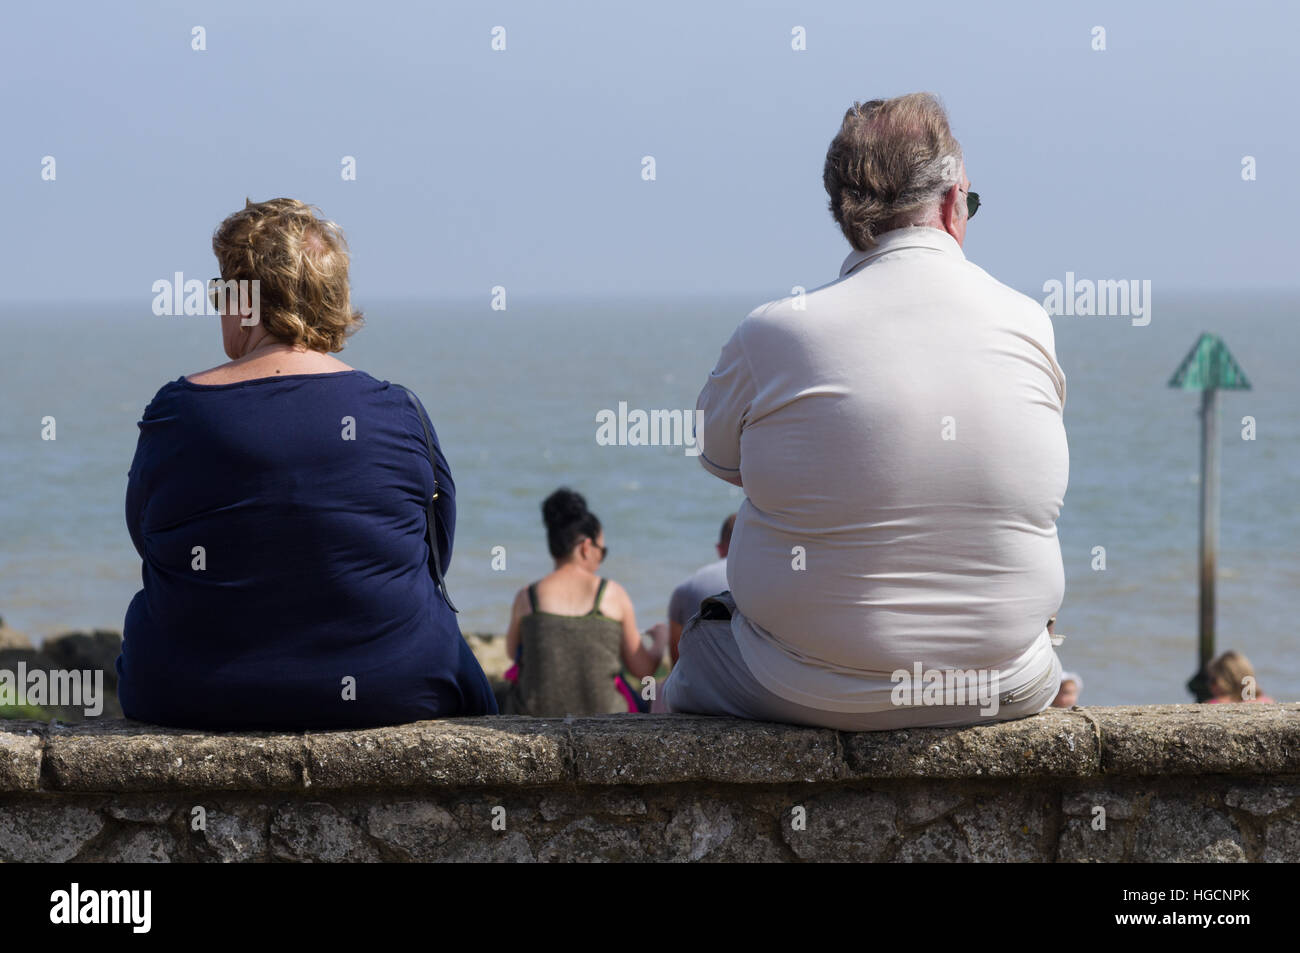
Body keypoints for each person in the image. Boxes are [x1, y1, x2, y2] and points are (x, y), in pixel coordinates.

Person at [663, 92, 1068, 730]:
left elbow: (725, 461)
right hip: (1005, 685)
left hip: (800, 685)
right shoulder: (1030, 324)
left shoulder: (773, 334)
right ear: (952, 199)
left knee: (694, 647)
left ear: (845, 213)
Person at [117, 198, 497, 730]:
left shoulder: (176, 413)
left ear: (244, 301)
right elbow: (435, 551)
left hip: (189, 690)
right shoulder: (399, 411)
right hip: (398, 685)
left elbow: (148, 538)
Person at [501, 488, 667, 716]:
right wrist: (660, 641)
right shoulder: (611, 594)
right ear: (586, 548)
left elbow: (512, 653)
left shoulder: (527, 597)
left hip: (534, 719)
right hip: (607, 720)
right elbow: (643, 670)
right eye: (603, 551)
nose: (601, 559)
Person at [667, 514, 736, 664]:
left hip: (700, 683)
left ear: (719, 549)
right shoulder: (769, 583)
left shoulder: (685, 588)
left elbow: (677, 662)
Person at [1204, 651, 1275, 703]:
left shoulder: (1214, 704)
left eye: (1213, 680)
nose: (1209, 685)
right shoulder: (1267, 701)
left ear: (1225, 681)